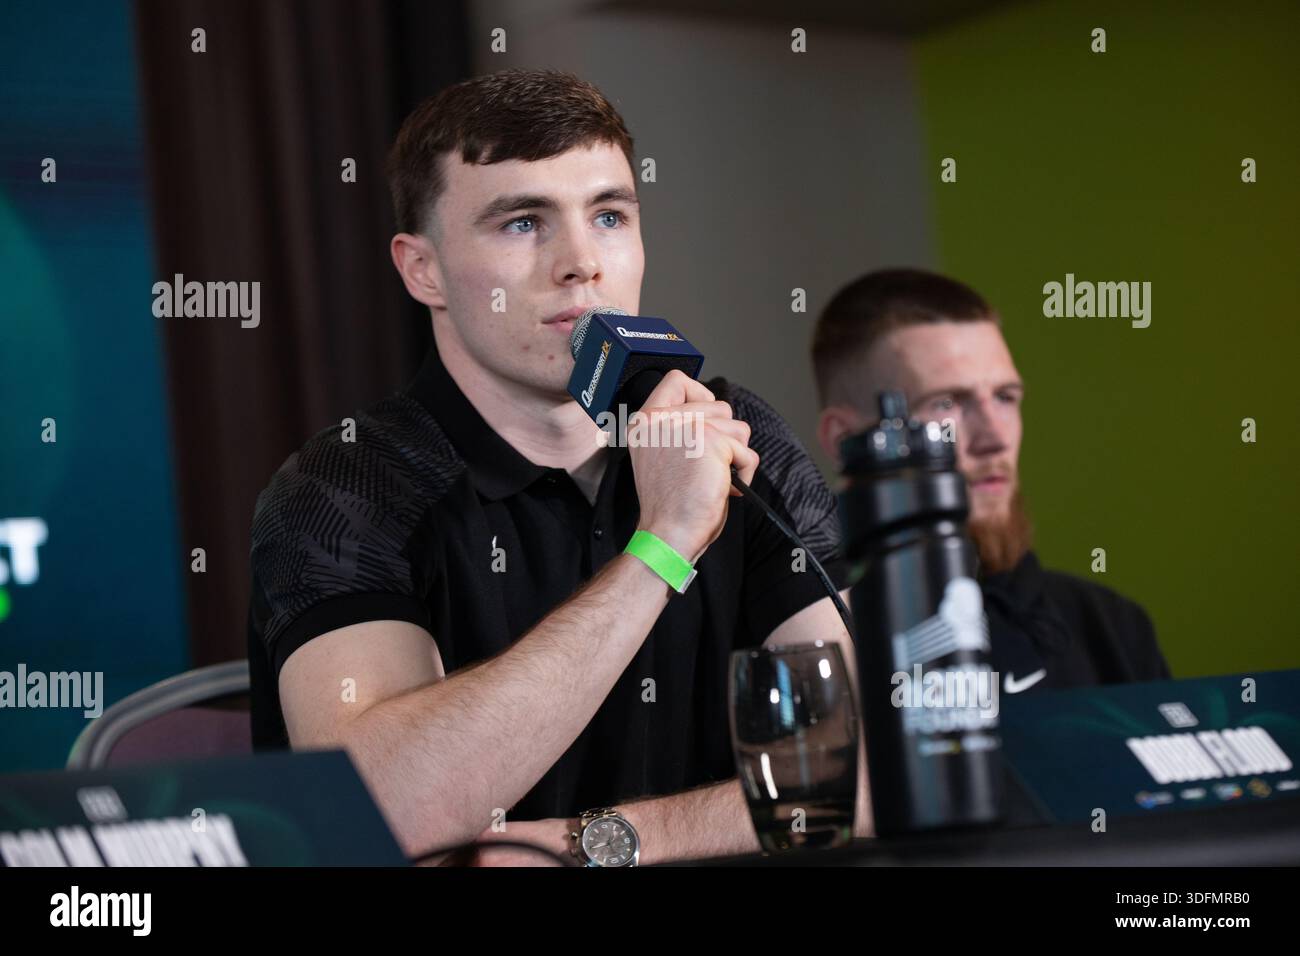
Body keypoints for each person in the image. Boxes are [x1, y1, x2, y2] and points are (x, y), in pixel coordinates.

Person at [247, 69, 865, 866]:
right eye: (521, 223)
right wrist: (664, 543)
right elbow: (384, 814)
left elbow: (867, 775)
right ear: (421, 270)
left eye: (609, 215)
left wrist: (587, 845)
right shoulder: (344, 484)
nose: (582, 263)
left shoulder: (738, 436)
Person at [812, 268, 1170, 698]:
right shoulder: (815, 637)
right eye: (945, 402)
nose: (995, 438)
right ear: (847, 440)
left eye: (1005, 397)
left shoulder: (1110, 628)